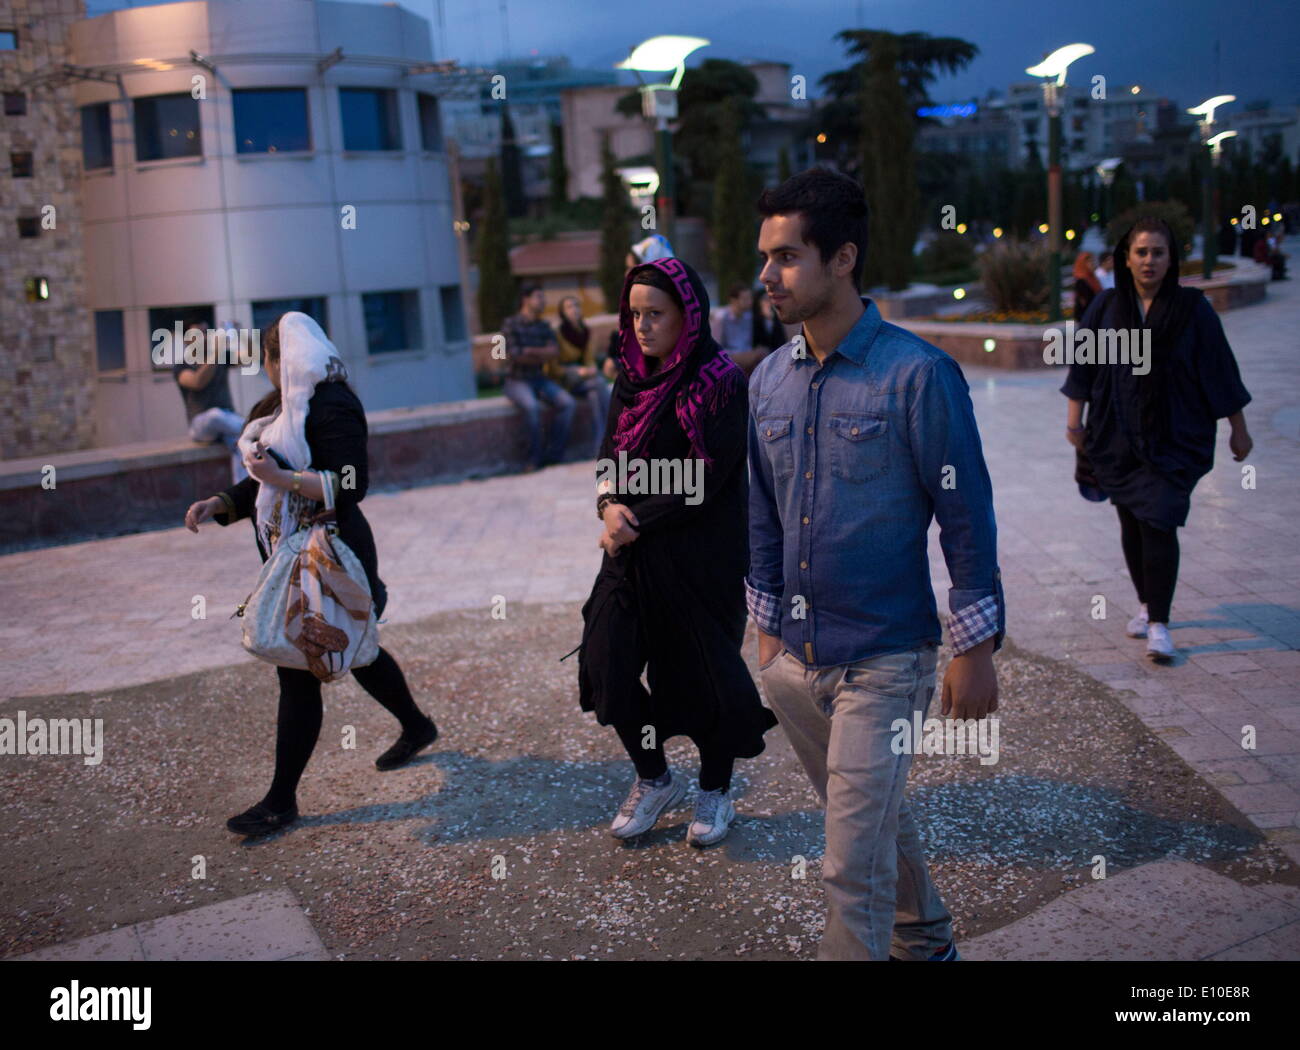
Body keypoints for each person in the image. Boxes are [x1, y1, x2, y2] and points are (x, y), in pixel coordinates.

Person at [748, 168, 1003, 961]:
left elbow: (966, 515)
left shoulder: (918, 375)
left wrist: (975, 648)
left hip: (887, 660)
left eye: (787, 257)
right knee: (875, 822)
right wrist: (765, 639)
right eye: (765, 257)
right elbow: (761, 510)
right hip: (794, 662)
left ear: (844, 259)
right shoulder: (768, 381)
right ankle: (926, 939)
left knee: (846, 871)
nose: (766, 276)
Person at [183, 312, 438, 837]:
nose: (267, 373)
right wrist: (221, 503)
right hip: (294, 553)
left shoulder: (332, 403)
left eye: (270, 362)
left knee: (299, 672)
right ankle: (418, 725)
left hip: (334, 555)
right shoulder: (282, 406)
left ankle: (280, 801)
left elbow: (351, 483)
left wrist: (285, 478)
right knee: (357, 649)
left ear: (285, 358)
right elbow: (262, 483)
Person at [575, 255, 778, 848]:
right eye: (634, 313)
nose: (641, 326)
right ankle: (654, 776)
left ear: (687, 315)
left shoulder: (718, 381)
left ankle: (715, 790)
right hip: (631, 552)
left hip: (701, 554)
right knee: (606, 662)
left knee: (705, 679)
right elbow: (609, 458)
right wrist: (607, 505)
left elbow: (707, 478)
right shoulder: (631, 376)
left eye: (655, 314)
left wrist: (628, 518)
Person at [1063, 216, 1253, 662]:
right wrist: (1075, 424)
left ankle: (1158, 624)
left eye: (1159, 253)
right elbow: (1083, 368)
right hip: (1116, 432)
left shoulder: (1193, 309)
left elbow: (1219, 368)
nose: (1150, 261)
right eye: (1141, 252)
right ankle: (1148, 604)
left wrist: (1238, 428)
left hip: (1176, 434)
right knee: (1131, 519)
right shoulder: (1107, 307)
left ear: (1172, 259)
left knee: (1160, 520)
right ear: (1125, 258)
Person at [501, 286, 575, 471]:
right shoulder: (509, 324)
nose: (543, 301)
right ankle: (533, 460)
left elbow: (554, 352)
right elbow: (511, 355)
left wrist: (530, 351)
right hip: (516, 380)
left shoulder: (544, 326)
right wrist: (541, 353)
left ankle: (554, 455)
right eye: (539, 297)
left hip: (538, 378)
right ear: (526, 300)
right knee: (531, 407)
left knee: (568, 403)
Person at [173, 321, 248, 483]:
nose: (204, 338)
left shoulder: (220, 357)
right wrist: (218, 350)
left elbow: (249, 358)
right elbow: (197, 382)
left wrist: (240, 333)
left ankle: (241, 494)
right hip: (200, 425)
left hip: (227, 423)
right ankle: (251, 428)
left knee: (241, 446)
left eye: (206, 333)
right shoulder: (182, 366)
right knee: (216, 415)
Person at [549, 295, 612, 457]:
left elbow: (590, 360)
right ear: (562, 312)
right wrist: (578, 371)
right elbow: (553, 368)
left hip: (585, 381)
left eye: (576, 306)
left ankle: (600, 445)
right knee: (598, 384)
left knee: (594, 395)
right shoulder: (558, 334)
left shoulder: (586, 332)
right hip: (564, 378)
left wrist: (589, 369)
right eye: (569, 307)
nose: (574, 310)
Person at [1072, 251, 1101, 321]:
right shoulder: (1081, 281)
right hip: (1086, 316)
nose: (1092, 264)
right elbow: (1085, 301)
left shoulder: (1093, 278)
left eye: (1093, 261)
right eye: (1089, 262)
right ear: (1083, 264)